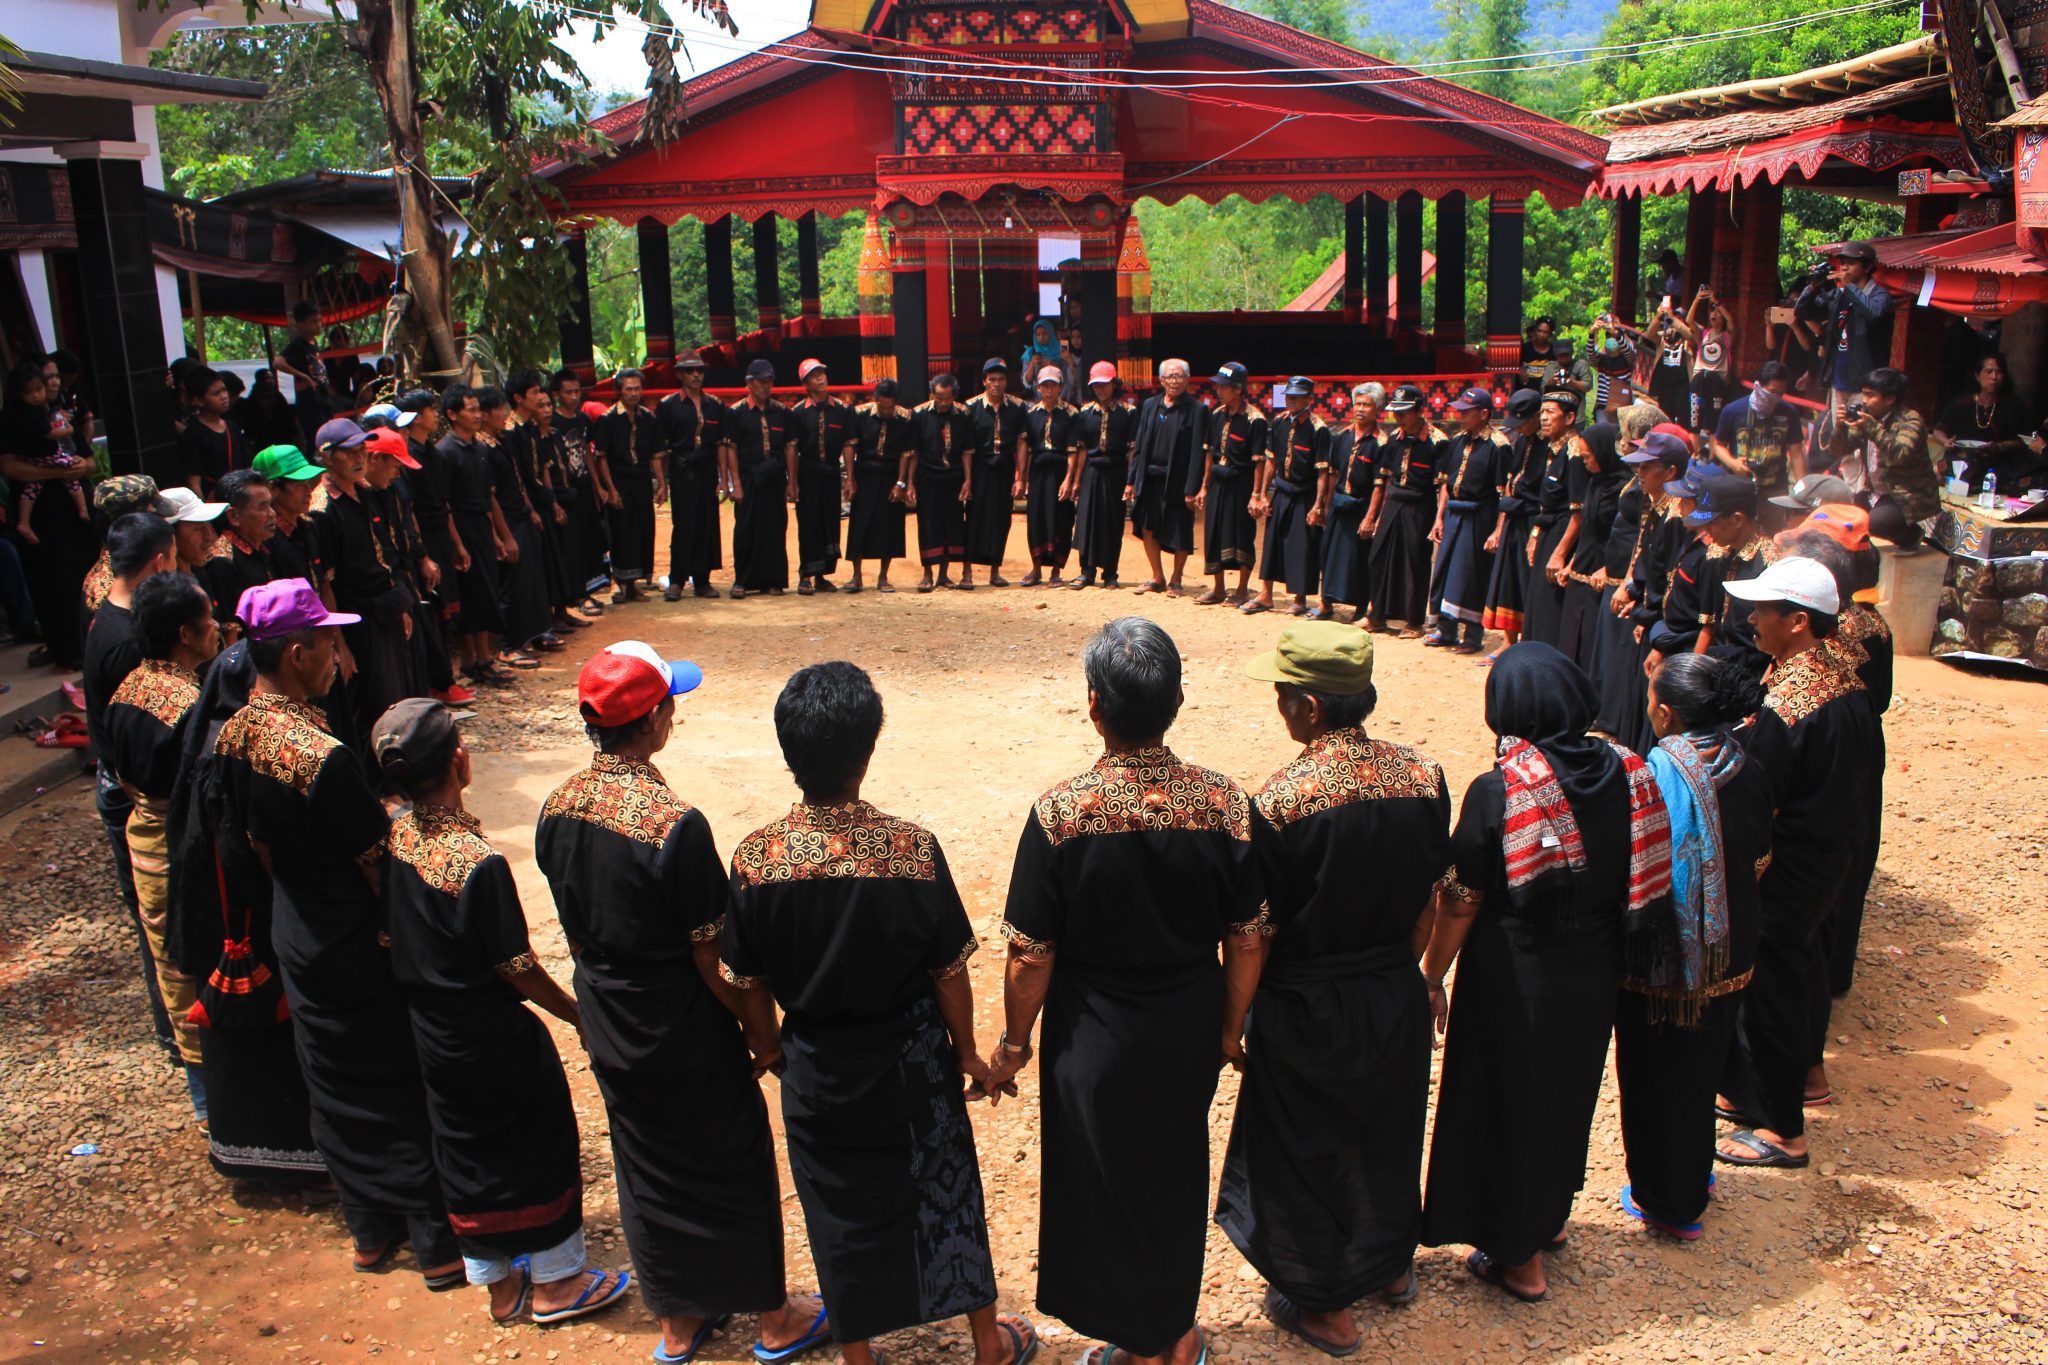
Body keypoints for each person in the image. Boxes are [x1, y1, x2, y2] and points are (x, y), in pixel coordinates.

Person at [726, 661, 1032, 1365]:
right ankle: (988, 1342)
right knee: (945, 1189)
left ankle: (858, 1356)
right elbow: (950, 970)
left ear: (788, 751)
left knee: (837, 1212)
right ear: (866, 751)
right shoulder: (911, 850)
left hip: (815, 1069)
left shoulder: (754, 860)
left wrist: (770, 1048)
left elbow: (745, 980)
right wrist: (966, 1052)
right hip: (910, 1063)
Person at [536, 642, 825, 1363]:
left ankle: (678, 1318)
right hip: (679, 1023)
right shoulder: (673, 823)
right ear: (657, 717)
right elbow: (712, 952)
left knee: (647, 1162)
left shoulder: (556, 805)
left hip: (607, 1013)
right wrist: (763, 1034)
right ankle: (772, 1313)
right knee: (730, 1157)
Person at [989, 618, 1267, 1365]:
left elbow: (1030, 956)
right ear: (1177, 700)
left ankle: (1143, 1348)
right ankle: (1173, 1333)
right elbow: (1246, 936)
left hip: (1092, 1036)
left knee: (1102, 1180)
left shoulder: (1061, 814)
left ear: (1093, 705)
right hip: (1186, 1022)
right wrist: (1231, 1025)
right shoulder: (1227, 805)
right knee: (1176, 1171)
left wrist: (1014, 1044)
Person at [213, 578, 460, 1284]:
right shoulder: (322, 757)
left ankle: (368, 1228)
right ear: (296, 654)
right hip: (353, 934)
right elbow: (377, 861)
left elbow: (249, 843)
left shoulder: (233, 733)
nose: (335, 655)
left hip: (296, 926)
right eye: (327, 643)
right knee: (392, 1076)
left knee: (332, 1078)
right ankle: (433, 1238)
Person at [1420, 641, 1671, 1303]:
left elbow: (1460, 898)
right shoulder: (1630, 769)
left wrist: (1432, 974)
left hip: (1515, 974)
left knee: (1507, 1103)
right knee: (1564, 1095)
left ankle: (1519, 1257)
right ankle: (1548, 1219)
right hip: (1594, 969)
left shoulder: (1500, 789)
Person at [1219, 624, 1447, 1350]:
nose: (1278, 706)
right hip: (1390, 989)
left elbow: (1255, 932)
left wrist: (1235, 1020)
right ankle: (1388, 1267)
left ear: (1311, 707)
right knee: (1383, 1128)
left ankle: (1325, 1305)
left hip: (1307, 1003)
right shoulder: (1425, 777)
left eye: (1284, 695)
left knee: (1302, 1148)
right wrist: (1406, 970)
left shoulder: (1281, 803)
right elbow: (1430, 900)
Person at [375, 699, 629, 1327]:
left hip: (433, 1032)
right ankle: (555, 1282)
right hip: (490, 1032)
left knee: (464, 1146)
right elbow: (513, 963)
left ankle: (498, 1284)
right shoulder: (474, 863)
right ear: (458, 761)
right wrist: (576, 1013)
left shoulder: (399, 837)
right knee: (533, 1139)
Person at [1710, 559, 1872, 1173]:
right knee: (1798, 968)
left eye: (1763, 611)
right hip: (1828, 858)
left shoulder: (1796, 701)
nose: (1752, 620)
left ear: (1798, 621)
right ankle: (1776, 1084)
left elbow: (1762, 791)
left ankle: (1782, 1130)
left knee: (1772, 984)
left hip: (1789, 864)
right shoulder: (1839, 676)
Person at [1616, 653, 1772, 1240]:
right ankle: (1694, 1173)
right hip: (1728, 952)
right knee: (1700, 1069)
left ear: (1665, 712)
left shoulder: (1652, 776)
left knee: (1655, 1075)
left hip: (1659, 964)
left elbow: (1637, 870)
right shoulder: (1746, 766)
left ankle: (1669, 1200)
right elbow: (1759, 859)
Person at [102, 569, 220, 1108]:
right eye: (208, 620)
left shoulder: (126, 691)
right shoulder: (191, 710)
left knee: (171, 967)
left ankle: (205, 1102)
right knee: (201, 966)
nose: (217, 627)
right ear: (185, 636)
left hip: (144, 841)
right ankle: (219, 1105)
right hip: (183, 849)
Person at [85, 514, 183, 1067]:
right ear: (160, 562)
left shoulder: (108, 618)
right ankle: (173, 1029)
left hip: (122, 783)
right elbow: (138, 740)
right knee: (159, 917)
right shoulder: (127, 644)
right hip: (133, 794)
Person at [315, 420, 422, 734]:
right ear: (327, 456)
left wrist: (399, 605)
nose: (359, 458)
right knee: (373, 702)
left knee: (399, 691)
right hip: (356, 616)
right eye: (350, 452)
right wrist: (340, 645)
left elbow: (385, 553)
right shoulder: (322, 509)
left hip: (385, 607)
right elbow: (326, 583)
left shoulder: (367, 492)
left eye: (362, 449)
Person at [1599, 428, 1690, 749]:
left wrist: (1651, 619)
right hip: (1650, 618)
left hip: (1667, 625)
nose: (1639, 472)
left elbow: (1673, 582)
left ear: (1670, 472)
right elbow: (1647, 562)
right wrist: (1634, 589)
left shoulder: (1678, 517)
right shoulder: (1656, 506)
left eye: (1646, 466)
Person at [436, 387, 513, 688]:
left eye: (478, 408)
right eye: (470, 409)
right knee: (469, 597)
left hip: (481, 527)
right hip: (461, 529)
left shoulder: (481, 450)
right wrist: (456, 543)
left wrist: (495, 535)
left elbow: (487, 497)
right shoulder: (446, 452)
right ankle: (472, 660)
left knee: (486, 593)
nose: (477, 414)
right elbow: (446, 504)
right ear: (453, 415)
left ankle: (485, 658)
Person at [1424, 388, 1509, 654]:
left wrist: (1497, 530)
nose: (1461, 415)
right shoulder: (1457, 441)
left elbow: (1503, 493)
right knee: (1446, 570)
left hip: (1479, 516)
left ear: (1484, 413)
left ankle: (1473, 635)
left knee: (1471, 574)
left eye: (1467, 411)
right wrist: (1439, 518)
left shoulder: (1498, 445)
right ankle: (1446, 630)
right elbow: (1446, 484)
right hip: (1453, 514)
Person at [475, 387, 553, 667]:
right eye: (499, 409)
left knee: (528, 580)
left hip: (520, 514)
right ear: (485, 415)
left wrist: (529, 509)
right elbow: (491, 495)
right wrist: (503, 535)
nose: (505, 414)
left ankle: (527, 636)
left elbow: (518, 480)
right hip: (505, 520)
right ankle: (507, 646)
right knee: (511, 584)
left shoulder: (502, 441)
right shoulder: (483, 449)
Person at [1825, 366, 1938, 550]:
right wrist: (1840, 427)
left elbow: (1900, 454)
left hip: (1906, 497)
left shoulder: (1910, 420)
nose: (1865, 401)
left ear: (1890, 399)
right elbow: (1838, 451)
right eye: (1864, 394)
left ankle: (1912, 534)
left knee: (1874, 523)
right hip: (1874, 493)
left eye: (1870, 395)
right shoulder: (1867, 417)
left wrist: (1872, 428)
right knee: (1843, 518)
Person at [1363, 384, 1443, 637]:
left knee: (1414, 562)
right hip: (1393, 505)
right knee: (1378, 558)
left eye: (1405, 412)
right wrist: (1375, 516)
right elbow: (1385, 480)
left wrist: (1439, 519)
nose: (1399, 417)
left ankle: (1414, 622)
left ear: (1419, 411)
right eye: (1396, 412)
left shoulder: (1436, 442)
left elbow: (1442, 487)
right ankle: (1376, 616)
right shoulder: (1392, 440)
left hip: (1419, 508)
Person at [1245, 376, 1327, 617]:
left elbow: (1323, 471)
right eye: (1289, 396)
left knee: (1302, 546)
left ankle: (1300, 598)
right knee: (1272, 541)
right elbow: (1271, 461)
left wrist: (1318, 505)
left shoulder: (1318, 428)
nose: (1291, 400)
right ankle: (1266, 594)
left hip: (1305, 493)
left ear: (1309, 399)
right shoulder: (1279, 422)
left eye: (1297, 396)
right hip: (1282, 490)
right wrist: (1262, 494)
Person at [1126, 359, 1203, 597]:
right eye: (1169, 377)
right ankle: (1157, 576)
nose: (1174, 381)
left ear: (1187, 379)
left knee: (1180, 528)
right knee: (1148, 527)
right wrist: (1131, 480)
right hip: (1150, 476)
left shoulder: (1197, 410)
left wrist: (1193, 487)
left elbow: (1197, 452)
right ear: (1161, 380)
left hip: (1179, 480)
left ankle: (1176, 579)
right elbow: (1140, 444)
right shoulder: (1150, 405)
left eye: (1179, 376)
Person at [655, 355, 728, 601]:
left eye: (699, 371)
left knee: (707, 523)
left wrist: (723, 477)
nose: (696, 375)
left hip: (707, 468)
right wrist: (662, 482)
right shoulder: (668, 405)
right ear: (680, 375)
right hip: (682, 469)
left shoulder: (714, 404)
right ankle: (677, 579)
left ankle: (702, 579)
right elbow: (661, 447)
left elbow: (720, 444)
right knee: (684, 524)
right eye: (690, 371)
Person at [1554, 422, 1624, 673]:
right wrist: (1570, 564)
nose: (1584, 462)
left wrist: (1607, 568)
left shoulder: (1624, 490)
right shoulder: (1594, 483)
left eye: (1587, 456)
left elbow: (1622, 538)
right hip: (1580, 571)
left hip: (1603, 576)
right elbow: (1589, 530)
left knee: (1591, 644)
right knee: (1571, 637)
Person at [1480, 389, 1545, 653]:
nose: (1519, 428)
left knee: (1526, 580)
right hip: (1514, 519)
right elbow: (1509, 483)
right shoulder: (1520, 442)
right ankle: (1508, 641)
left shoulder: (1548, 446)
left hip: (1532, 519)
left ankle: (1528, 639)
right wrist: (1499, 527)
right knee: (1508, 578)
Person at [1196, 362, 1266, 607]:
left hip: (1241, 483)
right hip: (1217, 482)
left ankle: (1242, 589)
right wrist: (1204, 486)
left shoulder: (1255, 420)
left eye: (1223, 387)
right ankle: (1218, 588)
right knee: (1213, 530)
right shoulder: (1216, 415)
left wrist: (1256, 494)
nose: (1219, 391)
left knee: (1241, 533)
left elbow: (1259, 461)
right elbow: (1209, 453)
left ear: (1237, 389)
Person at [1520, 391, 1586, 648]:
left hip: (1564, 534)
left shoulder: (1576, 452)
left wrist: (1560, 554)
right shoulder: (1550, 448)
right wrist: (1535, 535)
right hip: (1547, 531)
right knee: (1536, 601)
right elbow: (1544, 503)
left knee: (1551, 606)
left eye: (1551, 413)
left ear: (1569, 417)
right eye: (1542, 413)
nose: (1544, 418)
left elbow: (1579, 511)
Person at [726, 358, 794, 598]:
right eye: (761, 381)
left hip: (774, 476)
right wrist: (735, 483)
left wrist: (791, 481)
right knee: (746, 529)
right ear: (750, 383)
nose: (766, 386)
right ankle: (742, 580)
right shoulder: (736, 413)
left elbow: (789, 447)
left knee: (775, 528)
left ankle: (774, 580)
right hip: (748, 476)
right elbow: (730, 448)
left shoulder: (782, 412)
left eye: (769, 381)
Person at [1312, 382, 1380, 621]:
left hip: (1361, 507)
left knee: (1359, 559)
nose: (1360, 409)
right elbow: (1332, 474)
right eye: (1358, 403)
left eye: (1367, 405)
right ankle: (1326, 604)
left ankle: (1361, 607)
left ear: (1377, 409)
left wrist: (1371, 517)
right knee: (1329, 555)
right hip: (1339, 504)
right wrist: (1324, 506)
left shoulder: (1380, 442)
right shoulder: (1341, 436)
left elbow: (1380, 486)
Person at [596, 368, 664, 603]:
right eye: (629, 389)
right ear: (619, 391)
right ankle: (619, 583)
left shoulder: (648, 418)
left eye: (637, 388)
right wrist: (610, 489)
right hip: (619, 480)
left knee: (643, 529)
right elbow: (602, 456)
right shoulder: (608, 419)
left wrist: (662, 484)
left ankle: (634, 584)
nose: (634, 393)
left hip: (642, 480)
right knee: (621, 531)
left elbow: (656, 455)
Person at [1935, 351, 2045, 494]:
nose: (1993, 377)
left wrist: (1998, 447)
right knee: (1941, 470)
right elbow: (1939, 430)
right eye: (1988, 372)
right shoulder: (1962, 403)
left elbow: (2023, 441)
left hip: (1998, 462)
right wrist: (1946, 442)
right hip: (1964, 458)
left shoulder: (2012, 406)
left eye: (1998, 372)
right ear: (1977, 375)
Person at [6, 359, 91, 544]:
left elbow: (90, 462)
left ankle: (83, 508)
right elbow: (10, 467)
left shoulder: (57, 414)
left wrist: (82, 466)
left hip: (75, 521)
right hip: (46, 519)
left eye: (57, 376)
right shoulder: (14, 420)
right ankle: (24, 523)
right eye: (49, 377)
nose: (55, 383)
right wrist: (59, 472)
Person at [549, 371, 613, 613]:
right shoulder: (552, 422)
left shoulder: (584, 420)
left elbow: (587, 453)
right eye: (568, 392)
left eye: (577, 391)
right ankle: (577, 595)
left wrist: (598, 486)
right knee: (571, 543)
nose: (574, 397)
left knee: (590, 539)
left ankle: (589, 590)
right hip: (565, 491)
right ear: (557, 394)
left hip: (585, 486)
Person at [1712, 362, 1806, 525]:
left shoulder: (1789, 413)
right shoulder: (1733, 410)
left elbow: (1797, 454)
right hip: (1740, 487)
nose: (1774, 398)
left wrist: (1803, 489)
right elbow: (1718, 445)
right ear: (1759, 386)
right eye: (1771, 392)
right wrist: (1733, 463)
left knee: (1771, 534)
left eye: (1780, 394)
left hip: (1775, 488)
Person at [844, 379, 913, 594]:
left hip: (890, 475)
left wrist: (900, 483)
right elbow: (850, 448)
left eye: (889, 406)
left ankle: (884, 576)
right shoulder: (859, 414)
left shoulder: (905, 418)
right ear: (875, 400)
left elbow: (906, 454)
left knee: (889, 525)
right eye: (882, 406)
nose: (885, 410)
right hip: (864, 475)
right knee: (859, 524)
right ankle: (857, 575)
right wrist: (850, 478)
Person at [788, 358, 849, 596]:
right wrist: (792, 482)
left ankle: (823, 575)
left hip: (831, 473)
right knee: (809, 523)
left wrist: (849, 479)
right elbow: (792, 449)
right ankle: (806, 575)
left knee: (829, 522)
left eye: (822, 373)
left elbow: (847, 445)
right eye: (814, 376)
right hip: (808, 474)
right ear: (806, 383)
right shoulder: (798, 413)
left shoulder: (841, 410)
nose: (820, 378)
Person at [908, 374, 975, 592]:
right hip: (928, 477)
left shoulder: (963, 414)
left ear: (954, 396)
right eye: (939, 398)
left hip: (953, 477)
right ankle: (927, 574)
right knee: (928, 526)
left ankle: (944, 575)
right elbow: (914, 452)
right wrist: (909, 482)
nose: (943, 403)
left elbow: (967, 451)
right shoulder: (919, 415)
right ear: (932, 395)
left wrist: (967, 480)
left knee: (951, 525)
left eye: (947, 398)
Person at [1073, 362, 1136, 590]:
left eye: (1105, 384)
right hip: (1091, 471)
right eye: (1096, 385)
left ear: (1114, 384)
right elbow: (1081, 449)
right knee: (1086, 520)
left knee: (1112, 521)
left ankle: (1110, 572)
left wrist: (1130, 480)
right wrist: (1076, 479)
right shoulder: (1084, 413)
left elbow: (1131, 450)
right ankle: (1086, 571)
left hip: (1115, 471)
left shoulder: (1128, 413)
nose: (1101, 389)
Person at [965, 357, 1029, 584]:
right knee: (974, 517)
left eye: (1001, 379)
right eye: (991, 379)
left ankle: (994, 571)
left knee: (1002, 518)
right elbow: (967, 449)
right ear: (984, 381)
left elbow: (1022, 443)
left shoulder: (1018, 407)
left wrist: (1021, 477)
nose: (996, 384)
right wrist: (967, 479)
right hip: (980, 469)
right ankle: (967, 572)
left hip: (1004, 469)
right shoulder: (970, 407)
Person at [1020, 365, 1082, 587]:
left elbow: (1072, 450)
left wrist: (1069, 479)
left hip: (1059, 471)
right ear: (1038, 387)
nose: (1049, 390)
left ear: (1060, 387)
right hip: (1038, 471)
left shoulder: (1071, 414)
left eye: (1053, 385)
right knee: (1036, 519)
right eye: (1045, 385)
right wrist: (1023, 477)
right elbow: (1026, 449)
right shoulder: (1030, 414)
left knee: (1061, 519)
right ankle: (1036, 569)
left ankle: (1056, 569)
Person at [1815, 242, 1893, 413]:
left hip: (1865, 386)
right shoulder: (1839, 294)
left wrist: (1849, 286)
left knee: (1859, 435)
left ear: (1867, 267)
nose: (1844, 267)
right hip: (1839, 380)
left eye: (1850, 263)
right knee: (1839, 436)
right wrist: (1814, 285)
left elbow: (1874, 314)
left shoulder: (1880, 295)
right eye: (1842, 262)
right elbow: (1805, 311)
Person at [201, 470, 277, 636]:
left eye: (271, 505)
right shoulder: (223, 562)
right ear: (234, 516)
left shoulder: (263, 546)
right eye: (262, 507)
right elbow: (231, 635)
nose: (272, 513)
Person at [172, 366, 251, 494]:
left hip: (240, 498)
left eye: (224, 391)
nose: (224, 396)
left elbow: (248, 467)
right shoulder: (194, 433)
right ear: (198, 400)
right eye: (216, 393)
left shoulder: (232, 427)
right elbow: (194, 481)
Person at [275, 301, 334, 451]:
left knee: (328, 437)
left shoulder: (313, 343)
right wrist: (304, 377)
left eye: (319, 321)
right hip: (309, 400)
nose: (318, 325)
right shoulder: (298, 344)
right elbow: (278, 362)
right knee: (317, 440)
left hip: (321, 396)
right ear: (301, 324)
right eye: (313, 322)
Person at [161, 486, 229, 576]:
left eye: (208, 524)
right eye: (198, 528)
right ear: (172, 536)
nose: (209, 536)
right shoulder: (164, 587)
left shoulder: (203, 573)